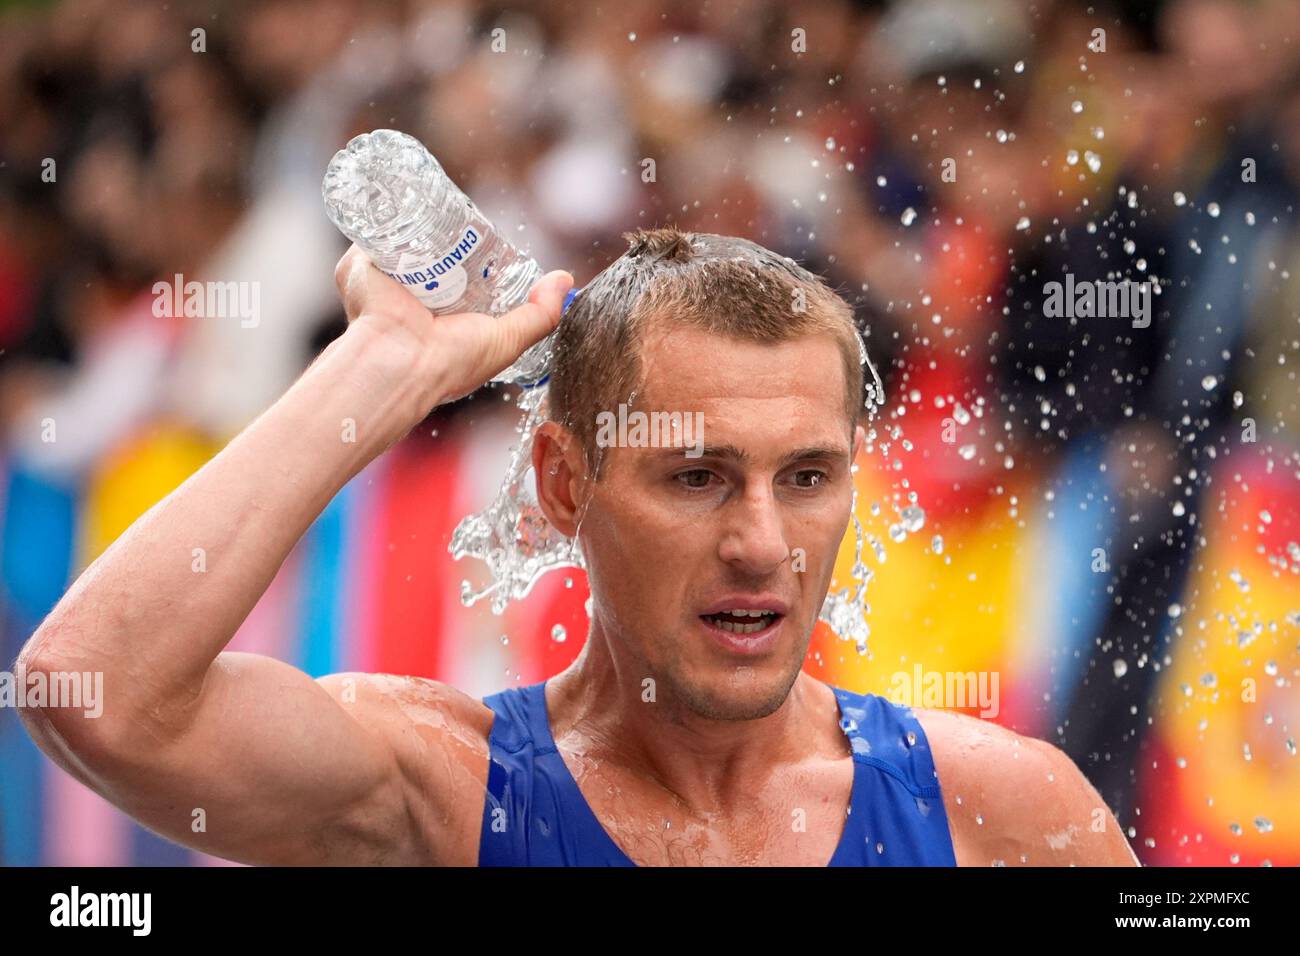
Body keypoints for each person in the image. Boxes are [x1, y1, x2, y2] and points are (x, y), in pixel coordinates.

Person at [16, 227, 1139, 866]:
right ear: (564, 484)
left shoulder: (1008, 813)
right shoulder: (448, 792)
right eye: (695, 476)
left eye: (805, 477)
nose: (760, 544)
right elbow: (94, 691)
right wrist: (383, 372)